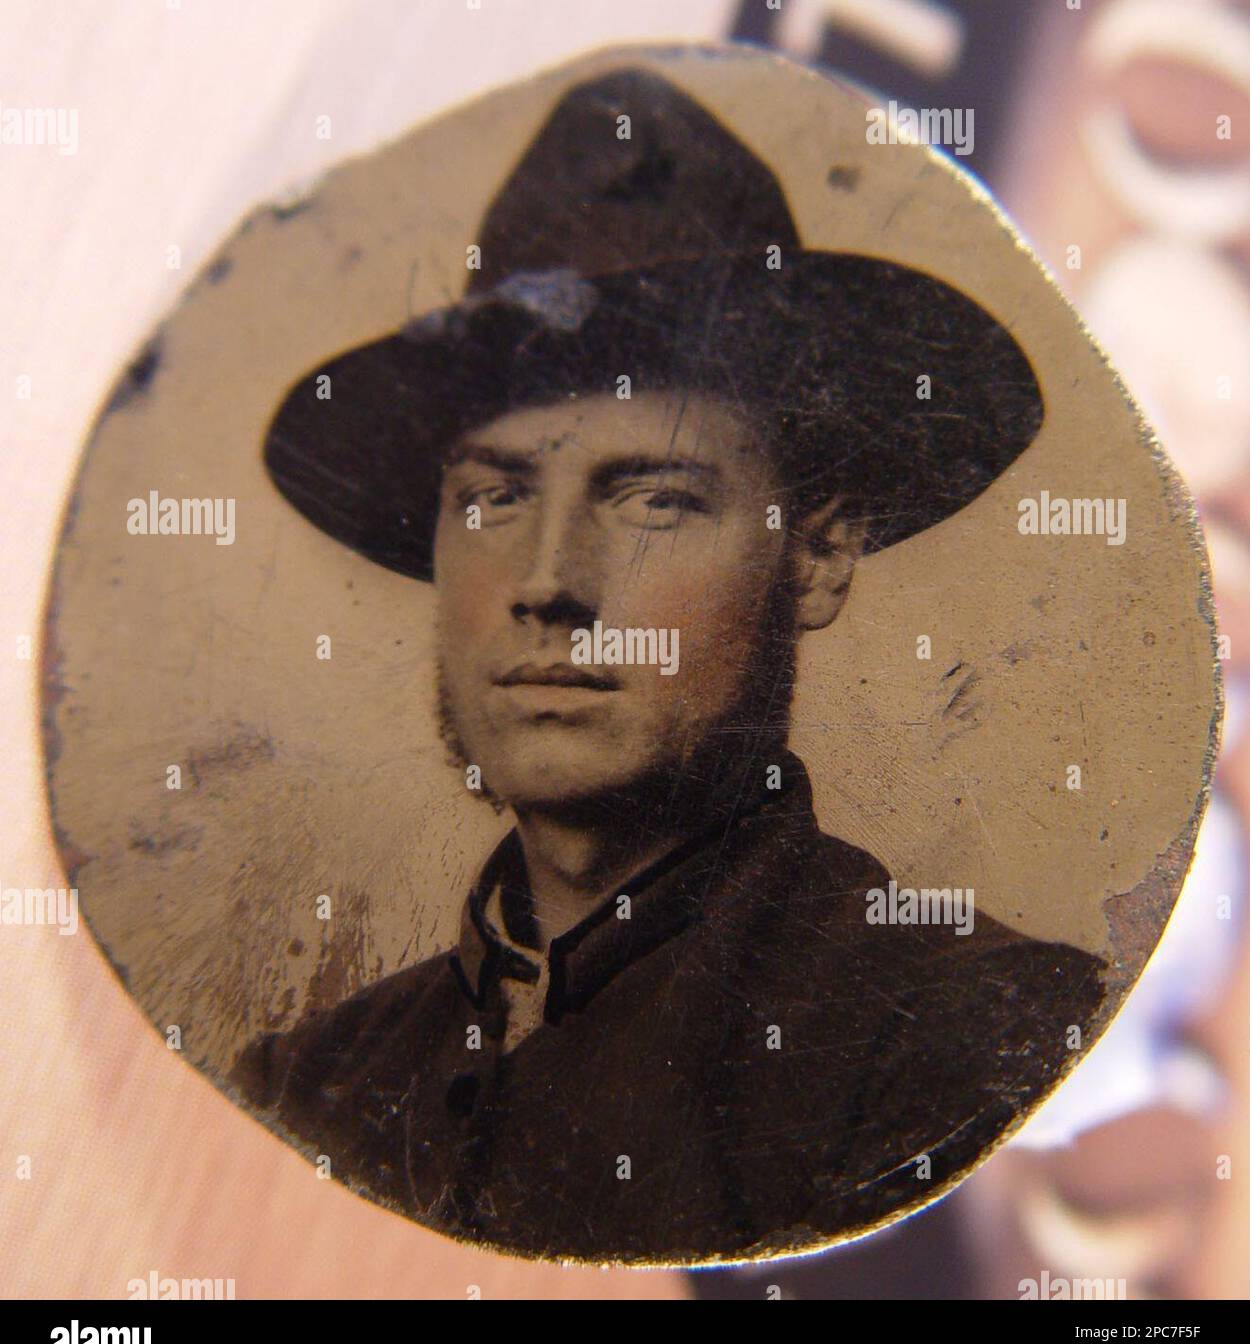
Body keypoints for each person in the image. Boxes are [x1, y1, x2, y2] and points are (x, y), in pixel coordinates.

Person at [231, 67, 1105, 1261]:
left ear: (817, 556)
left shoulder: (963, 1035)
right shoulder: (317, 1079)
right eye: (492, 495)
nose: (547, 582)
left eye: (651, 497)